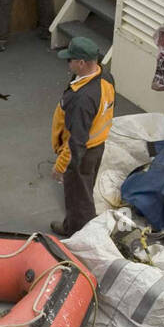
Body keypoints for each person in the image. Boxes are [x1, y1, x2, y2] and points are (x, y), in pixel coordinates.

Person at [49, 35, 115, 237]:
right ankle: (74, 225)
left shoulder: (82, 99)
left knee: (79, 196)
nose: (67, 63)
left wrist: (62, 166)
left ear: (81, 62)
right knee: (84, 191)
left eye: (70, 60)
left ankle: (80, 235)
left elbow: (77, 140)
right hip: (97, 146)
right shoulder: (105, 78)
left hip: (83, 153)